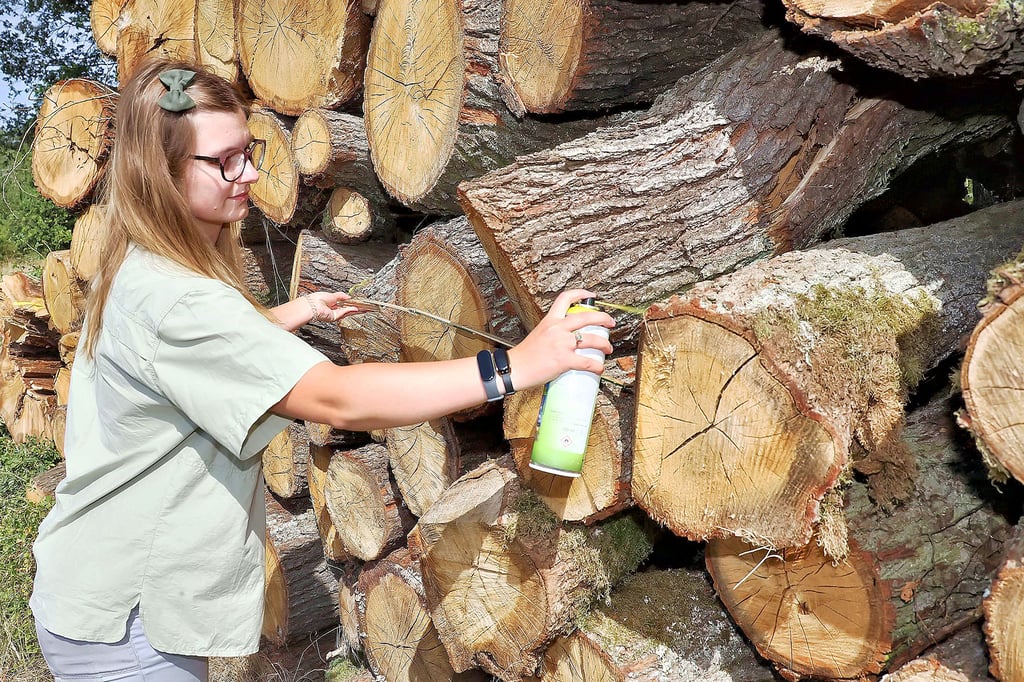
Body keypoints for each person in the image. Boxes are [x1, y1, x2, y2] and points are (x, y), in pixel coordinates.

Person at [29, 58, 614, 682]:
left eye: (249, 149)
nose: (249, 173)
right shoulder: (180, 299)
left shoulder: (141, 263)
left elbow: (169, 358)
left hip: (103, 600)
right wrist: (518, 364)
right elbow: (337, 399)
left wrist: (283, 316)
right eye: (224, 161)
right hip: (130, 630)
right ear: (159, 177)